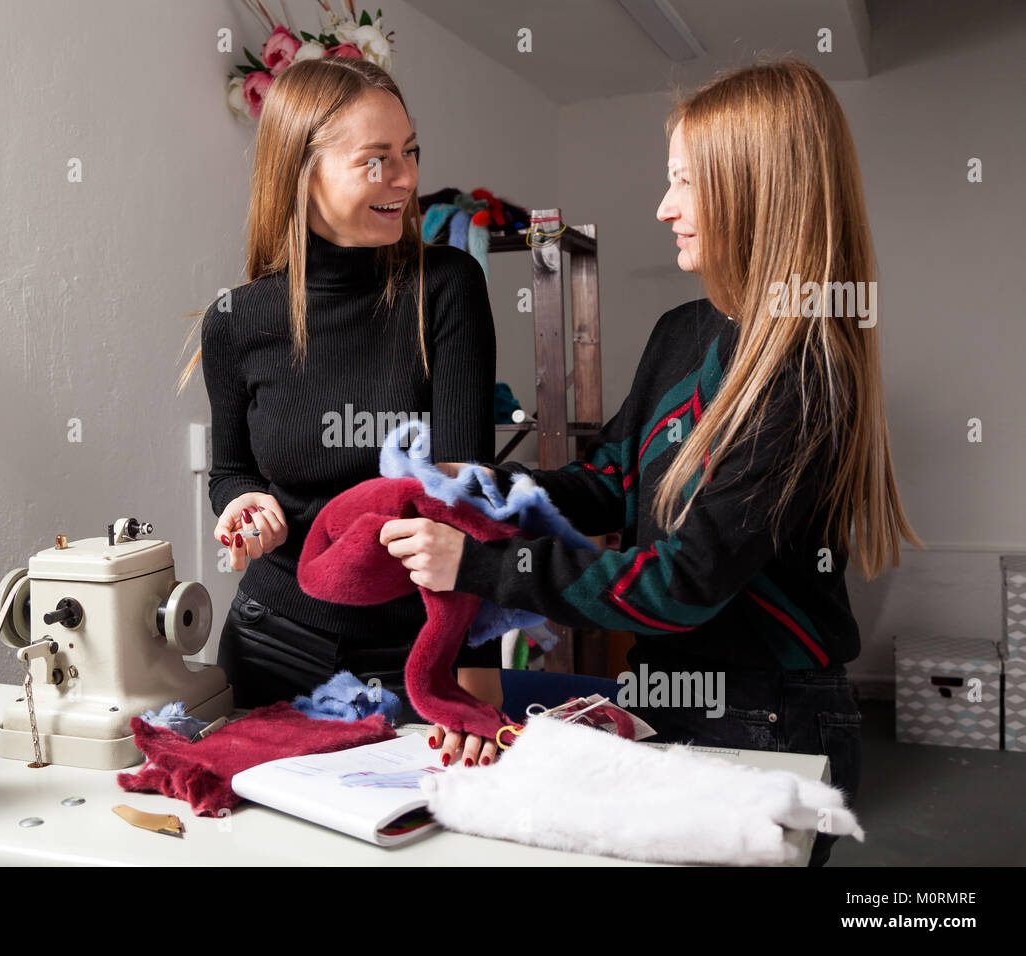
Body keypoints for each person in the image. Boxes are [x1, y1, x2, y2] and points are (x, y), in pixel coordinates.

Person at [379, 59, 922, 866]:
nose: (664, 208)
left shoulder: (804, 373)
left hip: (768, 715)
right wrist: (480, 487)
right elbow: (609, 481)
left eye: (685, 184)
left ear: (755, 190)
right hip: (666, 693)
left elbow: (681, 586)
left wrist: (486, 564)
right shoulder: (681, 329)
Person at [177, 57, 498, 722]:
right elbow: (232, 470)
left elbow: (468, 496)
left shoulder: (445, 287)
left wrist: (475, 665)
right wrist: (242, 506)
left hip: (413, 650)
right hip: (270, 640)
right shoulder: (237, 321)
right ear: (302, 170)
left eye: (410, 152)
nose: (407, 178)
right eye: (377, 160)